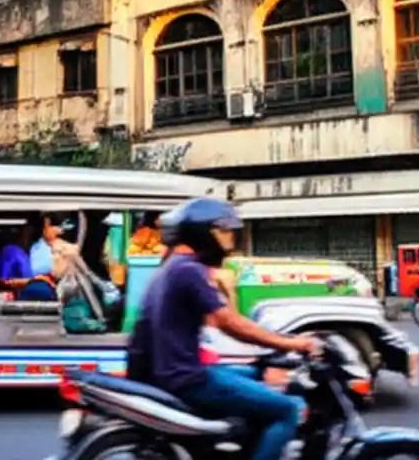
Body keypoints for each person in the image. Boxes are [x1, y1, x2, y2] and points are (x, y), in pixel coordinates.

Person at [127, 197, 317, 460]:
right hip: (188, 380)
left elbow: (214, 321)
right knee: (286, 410)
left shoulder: (169, 269)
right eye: (224, 232)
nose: (229, 241)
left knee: (253, 373)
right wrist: (294, 343)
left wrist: (264, 356)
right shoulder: (189, 270)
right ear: (204, 233)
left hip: (171, 373)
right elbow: (229, 323)